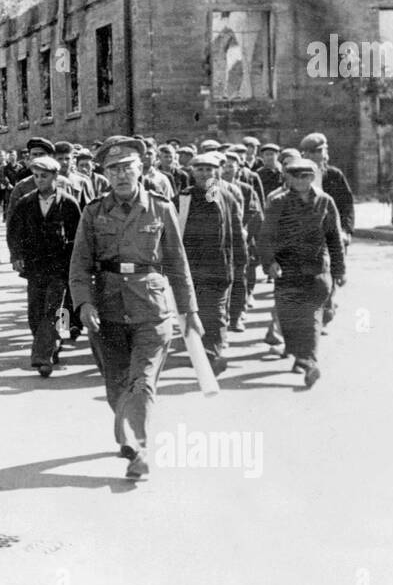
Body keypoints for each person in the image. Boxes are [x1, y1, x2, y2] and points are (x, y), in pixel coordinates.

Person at [69, 137, 201, 480]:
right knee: (116, 385)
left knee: (141, 383)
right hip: (108, 309)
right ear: (105, 174)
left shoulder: (160, 208)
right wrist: (83, 303)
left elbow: (177, 263)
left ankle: (139, 449)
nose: (121, 175)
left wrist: (190, 311)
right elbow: (79, 266)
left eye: (128, 167)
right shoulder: (94, 212)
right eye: (113, 169)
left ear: (141, 169)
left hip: (151, 309)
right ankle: (130, 438)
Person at [257, 157, 346, 387]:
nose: (301, 180)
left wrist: (339, 270)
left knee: (312, 317)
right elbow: (266, 237)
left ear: (313, 176)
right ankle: (300, 355)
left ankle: (309, 362)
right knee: (288, 318)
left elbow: (334, 238)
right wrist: (270, 263)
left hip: (317, 269)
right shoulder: (277, 203)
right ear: (287, 177)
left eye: (306, 175)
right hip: (287, 270)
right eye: (295, 175)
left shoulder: (325, 202)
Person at [7, 154, 82, 377]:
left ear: (55, 177)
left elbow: (78, 236)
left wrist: (74, 262)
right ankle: (52, 343)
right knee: (35, 312)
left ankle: (42, 357)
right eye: (36, 176)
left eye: (44, 176)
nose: (39, 180)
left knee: (53, 309)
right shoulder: (26, 203)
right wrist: (16, 256)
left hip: (59, 266)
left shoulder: (68, 203)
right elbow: (14, 232)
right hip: (35, 266)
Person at [176, 151, 246, 374]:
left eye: (209, 169)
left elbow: (236, 230)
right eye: (200, 169)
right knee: (193, 310)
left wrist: (241, 260)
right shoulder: (184, 197)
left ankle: (212, 353)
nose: (205, 173)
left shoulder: (224, 195)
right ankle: (201, 352)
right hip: (191, 265)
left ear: (216, 171)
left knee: (215, 313)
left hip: (218, 265)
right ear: (192, 171)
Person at [300, 133, 354, 330]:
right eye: (312, 153)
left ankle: (326, 308)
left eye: (320, 152)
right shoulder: (299, 178)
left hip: (333, 234)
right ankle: (318, 313)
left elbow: (347, 205)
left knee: (331, 273)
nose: (317, 156)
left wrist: (346, 231)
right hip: (308, 236)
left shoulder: (334, 176)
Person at [220, 150, 262, 333]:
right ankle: (221, 319)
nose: (228, 169)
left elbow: (254, 214)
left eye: (231, 166)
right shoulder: (212, 188)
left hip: (239, 240)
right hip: (219, 243)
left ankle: (236, 317)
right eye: (224, 166)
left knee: (238, 279)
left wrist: (243, 231)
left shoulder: (245, 189)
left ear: (238, 168)